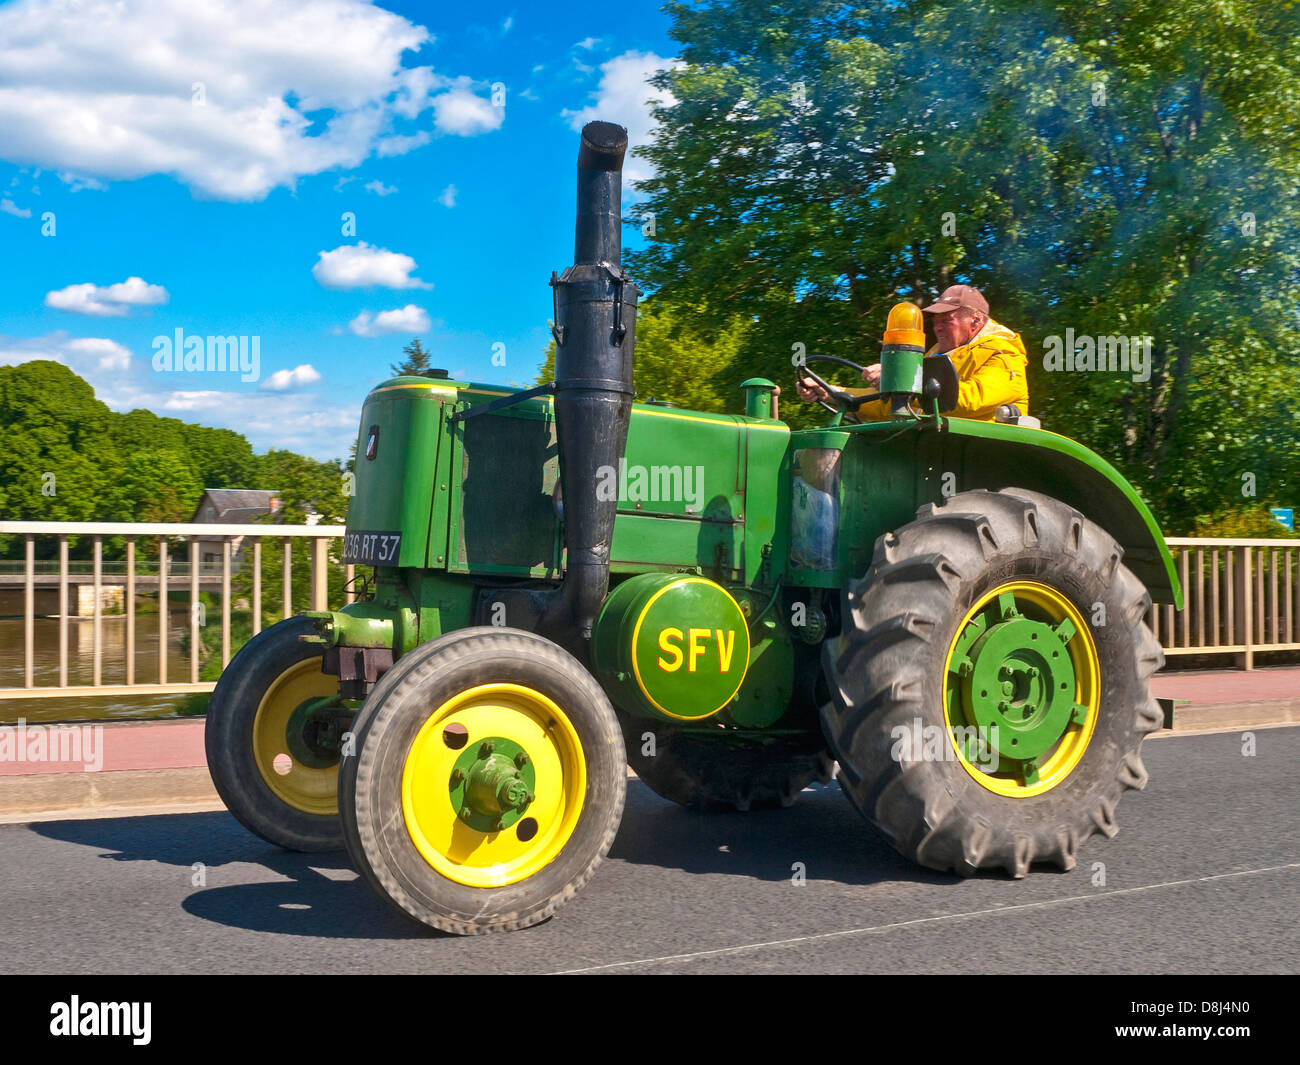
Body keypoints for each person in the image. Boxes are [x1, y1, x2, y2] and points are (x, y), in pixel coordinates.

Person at [795, 284, 1029, 422]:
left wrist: (902, 378)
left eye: (946, 320)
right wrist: (831, 392)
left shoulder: (1004, 354)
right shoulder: (934, 357)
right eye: (935, 321)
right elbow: (894, 405)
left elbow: (969, 400)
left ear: (975, 320)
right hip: (936, 444)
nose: (937, 327)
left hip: (983, 454)